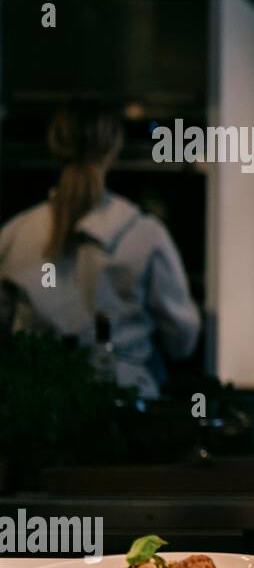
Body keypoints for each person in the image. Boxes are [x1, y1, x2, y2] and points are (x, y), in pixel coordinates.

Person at [0, 104, 200, 397]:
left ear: (54, 148)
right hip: (124, 403)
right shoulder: (145, 234)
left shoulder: (15, 234)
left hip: (37, 410)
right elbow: (183, 340)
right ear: (113, 151)